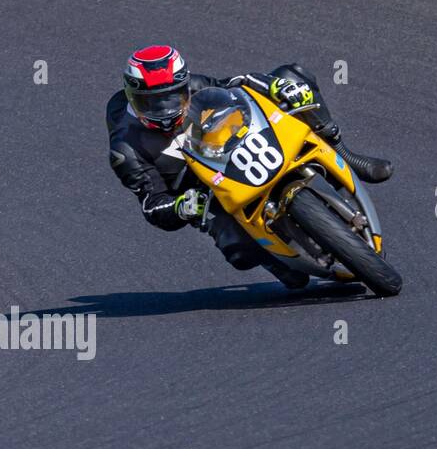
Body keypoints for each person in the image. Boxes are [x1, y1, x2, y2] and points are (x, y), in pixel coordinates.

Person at [106, 44, 391, 288]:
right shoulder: (125, 149)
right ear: (132, 98)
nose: (165, 110)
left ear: (184, 84)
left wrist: (275, 87)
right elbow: (152, 205)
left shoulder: (195, 86)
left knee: (292, 76)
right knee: (241, 251)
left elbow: (236, 86)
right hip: (205, 190)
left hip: (230, 146)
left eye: (172, 97)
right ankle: (273, 260)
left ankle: (343, 153)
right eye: (151, 103)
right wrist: (182, 206)